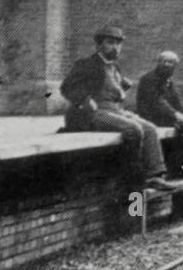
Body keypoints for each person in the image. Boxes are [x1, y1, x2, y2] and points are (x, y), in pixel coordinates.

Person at [60, 24, 173, 190]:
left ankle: (155, 175)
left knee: (149, 128)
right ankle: (132, 176)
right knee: (133, 129)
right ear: (99, 45)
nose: (115, 47)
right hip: (93, 112)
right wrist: (84, 99)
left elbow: (111, 89)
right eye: (110, 42)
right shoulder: (86, 64)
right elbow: (67, 87)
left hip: (114, 110)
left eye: (118, 43)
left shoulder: (114, 67)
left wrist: (122, 87)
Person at [136, 51, 183, 179]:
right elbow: (157, 102)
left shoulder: (169, 81)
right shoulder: (148, 79)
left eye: (170, 62)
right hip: (151, 116)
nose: (166, 64)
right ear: (158, 62)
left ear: (175, 65)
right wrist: (176, 115)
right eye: (163, 61)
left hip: (166, 115)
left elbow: (177, 101)